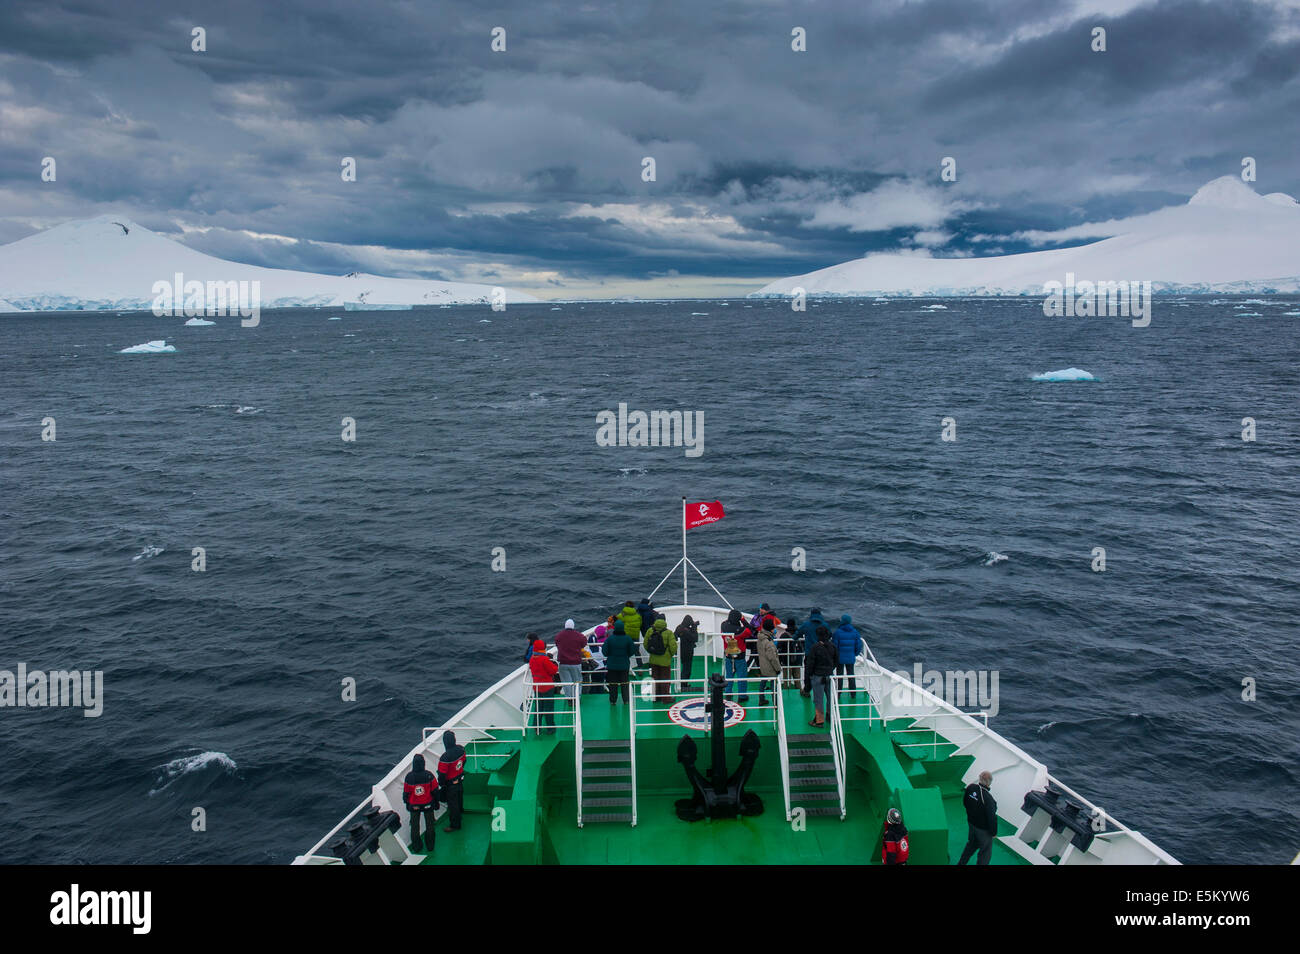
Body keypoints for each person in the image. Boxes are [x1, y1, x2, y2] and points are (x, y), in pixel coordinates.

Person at [957, 771, 998, 865]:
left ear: (979, 778)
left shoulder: (971, 787)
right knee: (985, 852)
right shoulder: (988, 798)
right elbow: (992, 818)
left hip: (971, 824)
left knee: (971, 845)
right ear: (989, 782)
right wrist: (993, 833)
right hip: (983, 830)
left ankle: (961, 863)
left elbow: (965, 803)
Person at [401, 754, 439, 853]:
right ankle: (430, 846)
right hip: (428, 805)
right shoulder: (429, 775)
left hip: (414, 806)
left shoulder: (409, 777)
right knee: (430, 826)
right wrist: (436, 803)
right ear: (423, 764)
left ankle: (417, 847)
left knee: (414, 827)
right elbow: (435, 791)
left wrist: (407, 804)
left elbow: (406, 793)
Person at [436, 730, 467, 833]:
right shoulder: (461, 749)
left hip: (451, 784)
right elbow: (464, 761)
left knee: (453, 805)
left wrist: (442, 784)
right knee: (459, 798)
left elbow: (442, 774)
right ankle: (460, 814)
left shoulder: (445, 757)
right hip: (460, 779)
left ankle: (455, 825)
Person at [807, 625, 837, 727]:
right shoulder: (833, 646)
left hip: (818, 676)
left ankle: (819, 720)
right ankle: (829, 716)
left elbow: (810, 663)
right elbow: (836, 660)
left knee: (818, 699)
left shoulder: (815, 647)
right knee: (830, 697)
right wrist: (830, 669)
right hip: (829, 676)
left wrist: (810, 674)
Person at [602, 619, 637, 705]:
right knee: (624, 684)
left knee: (613, 684)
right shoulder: (627, 639)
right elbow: (633, 650)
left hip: (612, 666)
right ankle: (626, 700)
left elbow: (604, 652)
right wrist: (626, 655)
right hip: (624, 665)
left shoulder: (610, 639)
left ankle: (613, 701)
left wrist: (611, 655)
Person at [528, 639, 559, 734]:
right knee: (548, 708)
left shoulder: (532, 659)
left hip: (537, 687)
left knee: (538, 707)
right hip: (547, 687)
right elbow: (553, 670)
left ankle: (536, 726)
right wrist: (555, 666)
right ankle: (550, 728)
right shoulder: (544, 659)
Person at [797, 609, 831, 696]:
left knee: (808, 672)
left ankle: (807, 690)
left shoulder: (806, 625)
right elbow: (830, 635)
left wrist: (794, 637)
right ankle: (825, 692)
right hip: (822, 653)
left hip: (809, 653)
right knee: (822, 671)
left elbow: (798, 634)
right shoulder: (825, 625)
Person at [643, 616, 677, 703]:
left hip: (653, 659)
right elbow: (673, 647)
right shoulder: (669, 633)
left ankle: (656, 697)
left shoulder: (650, 631)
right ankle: (665, 699)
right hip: (665, 661)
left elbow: (645, 644)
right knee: (665, 679)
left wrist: (651, 652)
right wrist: (669, 655)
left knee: (655, 678)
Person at [554, 618, 588, 705]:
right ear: (573, 626)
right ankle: (577, 698)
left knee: (566, 682)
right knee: (577, 681)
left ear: (565, 626)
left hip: (563, 663)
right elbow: (584, 642)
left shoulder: (559, 635)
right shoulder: (578, 635)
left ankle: (569, 699)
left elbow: (556, 642)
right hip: (576, 663)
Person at [721, 608, 751, 702]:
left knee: (729, 676)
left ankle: (728, 694)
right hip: (739, 657)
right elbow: (750, 630)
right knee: (742, 677)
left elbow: (726, 622)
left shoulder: (723, 626)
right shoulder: (741, 631)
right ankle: (742, 696)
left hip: (728, 656)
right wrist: (742, 619)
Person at [832, 614, 864, 696]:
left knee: (839, 676)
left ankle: (838, 694)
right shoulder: (855, 632)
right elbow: (859, 645)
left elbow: (834, 646)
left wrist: (835, 656)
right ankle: (853, 694)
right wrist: (854, 654)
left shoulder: (837, 632)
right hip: (850, 657)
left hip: (840, 658)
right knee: (851, 675)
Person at [756, 618, 782, 706]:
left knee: (762, 683)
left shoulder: (760, 637)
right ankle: (775, 703)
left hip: (762, 665)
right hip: (770, 668)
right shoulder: (768, 643)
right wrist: (778, 669)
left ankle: (761, 699)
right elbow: (773, 658)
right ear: (771, 629)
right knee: (773, 685)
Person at [675, 615, 700, 686]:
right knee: (687, 669)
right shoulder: (686, 630)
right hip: (687, 652)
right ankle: (683, 684)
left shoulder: (679, 627)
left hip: (680, 651)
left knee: (683, 668)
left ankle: (682, 683)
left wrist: (692, 626)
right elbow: (695, 638)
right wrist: (694, 627)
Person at [780, 616, 799, 689]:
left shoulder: (784, 635)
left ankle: (786, 695)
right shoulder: (798, 635)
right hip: (797, 661)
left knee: (786, 682)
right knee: (798, 680)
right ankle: (800, 693)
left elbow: (779, 646)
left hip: (786, 661)